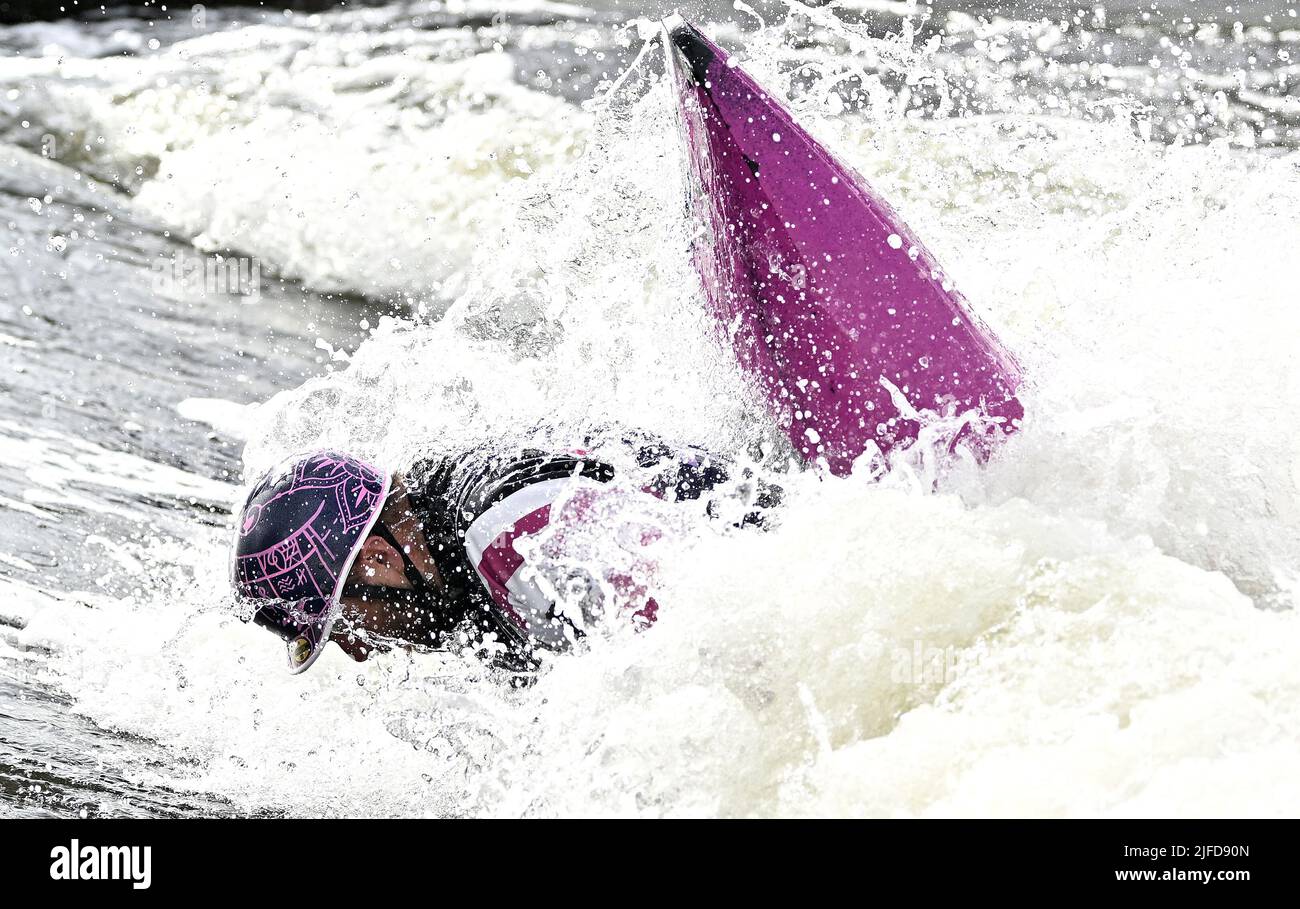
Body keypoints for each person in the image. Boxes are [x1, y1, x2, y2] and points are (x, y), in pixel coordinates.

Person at [231, 439, 775, 676]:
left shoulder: (512, 544)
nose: (357, 651)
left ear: (377, 560)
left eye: (345, 623)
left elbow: (728, 653)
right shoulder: (445, 509)